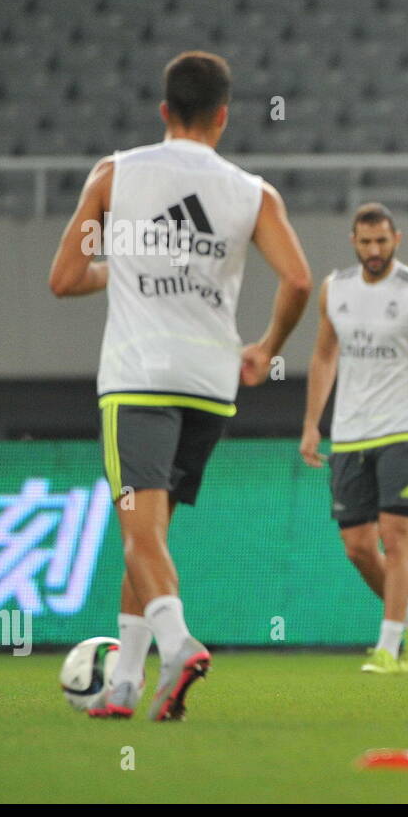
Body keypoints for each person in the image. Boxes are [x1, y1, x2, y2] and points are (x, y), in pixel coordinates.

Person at [48, 51, 313, 719]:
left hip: (139, 379)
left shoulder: (114, 174)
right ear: (223, 117)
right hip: (210, 383)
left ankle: (179, 642)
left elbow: (63, 278)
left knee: (140, 535)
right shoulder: (253, 192)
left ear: (164, 111)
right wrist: (266, 349)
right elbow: (300, 279)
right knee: (152, 536)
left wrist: (120, 269)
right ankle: (126, 687)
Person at [299, 203, 408, 673]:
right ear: (353, 241)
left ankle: (387, 648)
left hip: (405, 427)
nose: (374, 250)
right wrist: (313, 422)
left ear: (397, 240)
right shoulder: (335, 289)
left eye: (382, 241)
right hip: (348, 432)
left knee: (396, 537)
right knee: (357, 547)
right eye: (366, 242)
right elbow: (324, 357)